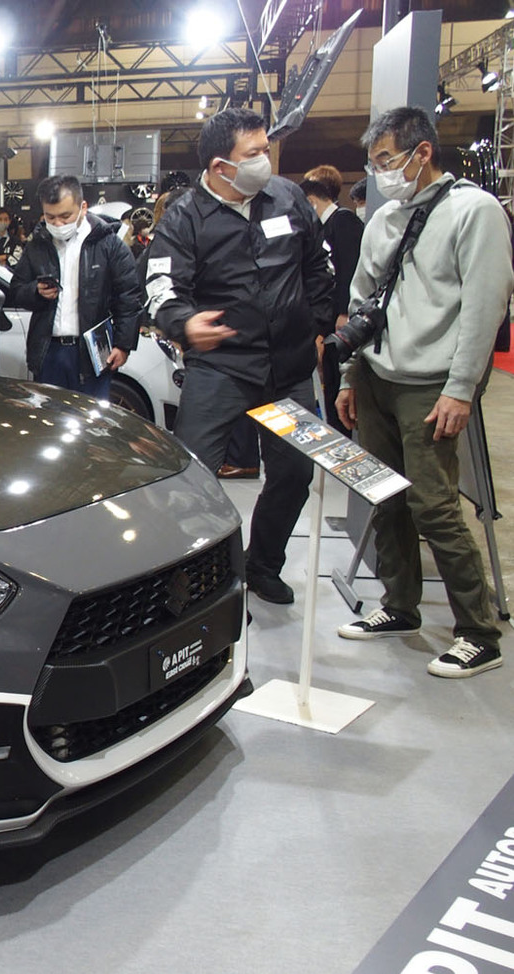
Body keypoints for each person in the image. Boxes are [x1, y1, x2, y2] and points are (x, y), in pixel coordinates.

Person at [334, 106, 513, 678]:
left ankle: (478, 631)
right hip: (376, 376)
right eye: (376, 161)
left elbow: (484, 308)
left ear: (422, 152)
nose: (381, 171)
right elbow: (362, 303)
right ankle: (399, 606)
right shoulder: (383, 220)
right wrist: (348, 377)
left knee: (433, 505)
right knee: (384, 498)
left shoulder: (474, 212)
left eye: (387, 159)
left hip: (432, 383)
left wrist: (461, 389)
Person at [144, 107, 335, 604]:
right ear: (219, 168)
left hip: (289, 371)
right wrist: (184, 323)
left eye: (265, 150)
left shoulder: (287, 198)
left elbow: (318, 265)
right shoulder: (184, 217)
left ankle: (263, 564)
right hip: (222, 369)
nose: (264, 161)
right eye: (253, 155)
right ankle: (196, 583)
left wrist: (315, 326)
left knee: (295, 473)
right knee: (192, 479)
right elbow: (161, 287)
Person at [9, 175, 142, 399]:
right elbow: (16, 290)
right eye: (50, 217)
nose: (58, 224)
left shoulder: (108, 244)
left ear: (83, 207)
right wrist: (36, 292)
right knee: (49, 419)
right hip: (48, 350)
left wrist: (123, 344)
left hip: (93, 350)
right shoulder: (38, 244)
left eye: (65, 216)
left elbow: (129, 296)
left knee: (91, 421)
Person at [300, 164, 364, 435]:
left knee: (339, 379)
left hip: (343, 319)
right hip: (327, 321)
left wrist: (343, 312)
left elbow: (350, 269)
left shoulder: (344, 222)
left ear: (311, 202)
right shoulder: (323, 229)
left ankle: (343, 433)